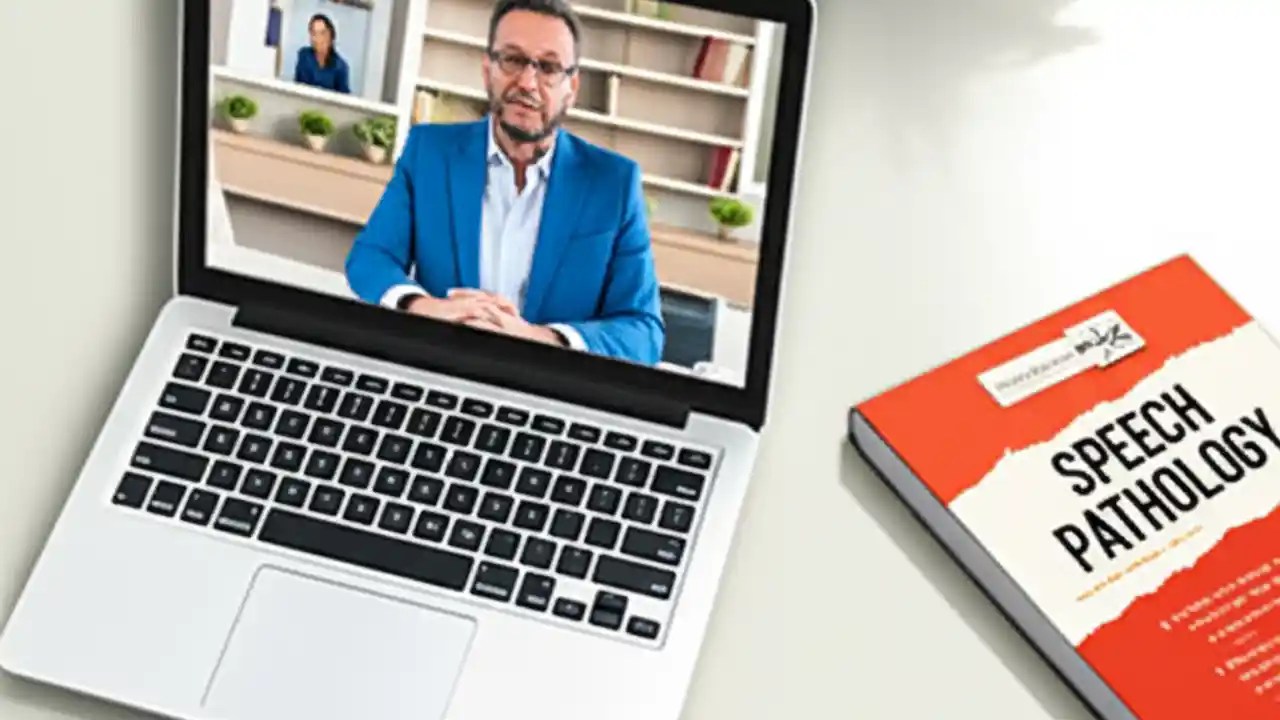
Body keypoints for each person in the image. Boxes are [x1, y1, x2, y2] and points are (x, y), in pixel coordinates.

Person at [344, 0, 664, 366]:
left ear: (571, 88)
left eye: (548, 67)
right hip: (438, 366)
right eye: (512, 59)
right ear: (487, 70)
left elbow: (643, 331)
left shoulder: (615, 184)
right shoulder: (429, 151)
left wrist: (538, 338)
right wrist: (426, 307)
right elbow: (371, 257)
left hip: (546, 385)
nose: (527, 83)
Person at [294, 13, 350, 94]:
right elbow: (298, 87)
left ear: (331, 36)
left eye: (322, 33)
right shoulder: (304, 56)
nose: (317, 38)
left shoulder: (341, 66)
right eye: (314, 33)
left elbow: (343, 97)